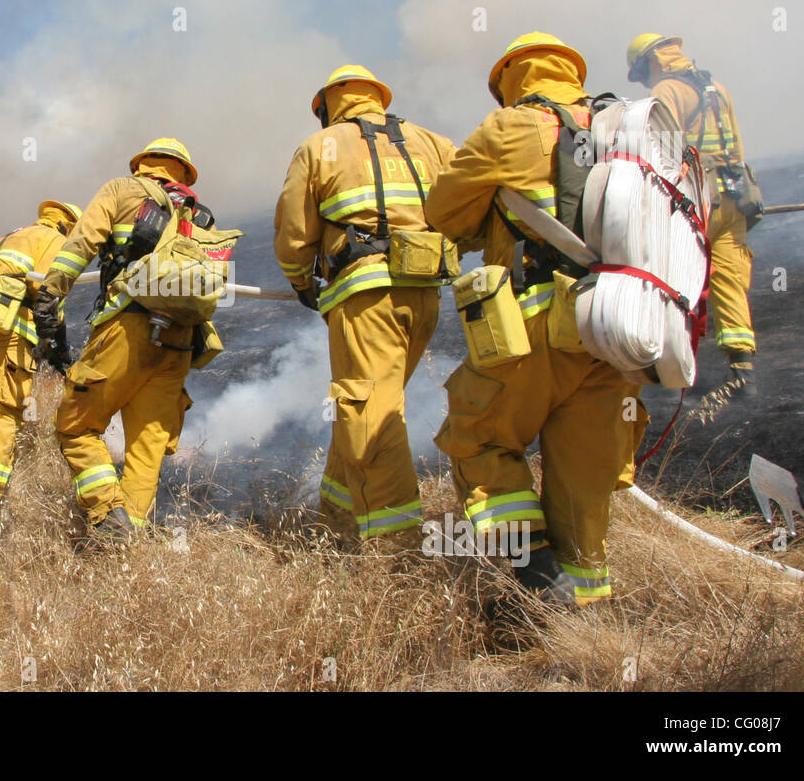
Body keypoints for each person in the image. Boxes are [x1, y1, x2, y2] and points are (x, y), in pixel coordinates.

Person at [425, 33, 648, 605]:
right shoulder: (630, 125)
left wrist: (492, 217)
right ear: (571, 71)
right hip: (619, 326)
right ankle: (585, 618)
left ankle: (536, 583)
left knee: (478, 437)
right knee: (584, 477)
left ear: (510, 80)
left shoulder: (510, 126)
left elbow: (443, 210)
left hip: (537, 321)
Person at [274, 65, 456, 549]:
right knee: (358, 408)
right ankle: (335, 528)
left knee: (368, 417)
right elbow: (467, 205)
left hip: (367, 294)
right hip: (426, 293)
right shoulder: (433, 142)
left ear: (329, 105)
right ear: (376, 97)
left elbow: (295, 228)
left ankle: (395, 555)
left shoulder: (321, 146)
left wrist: (300, 280)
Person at [34, 138, 206, 540]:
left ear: (142, 165)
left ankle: (108, 514)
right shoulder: (199, 216)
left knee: (76, 426)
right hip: (180, 341)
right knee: (147, 447)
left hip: (128, 328)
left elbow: (81, 244)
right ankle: (128, 544)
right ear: (183, 171)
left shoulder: (120, 189)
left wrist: (51, 293)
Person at [627, 33, 758, 396]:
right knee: (729, 276)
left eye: (641, 74)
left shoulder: (667, 91)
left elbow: (661, 151)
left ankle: (676, 366)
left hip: (699, 199)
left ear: (650, 62)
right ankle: (742, 370)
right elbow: (737, 148)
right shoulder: (717, 88)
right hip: (734, 196)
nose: (645, 81)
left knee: (673, 276)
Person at [0, 200, 83, 530]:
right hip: (3, 328)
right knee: (5, 412)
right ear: (69, 227)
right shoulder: (55, 241)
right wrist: (61, 353)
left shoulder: (13, 236)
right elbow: (46, 293)